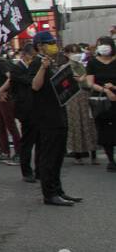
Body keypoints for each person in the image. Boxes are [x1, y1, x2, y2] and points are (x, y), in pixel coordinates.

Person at [26, 32, 81, 206]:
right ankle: (49, 194)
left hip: (59, 113)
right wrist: (43, 67)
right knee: (48, 156)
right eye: (49, 43)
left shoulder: (55, 62)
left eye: (53, 42)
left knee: (58, 156)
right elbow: (35, 86)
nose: (53, 45)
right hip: (46, 117)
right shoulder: (37, 63)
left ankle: (58, 190)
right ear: (40, 45)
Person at [7, 42, 39, 182]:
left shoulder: (34, 67)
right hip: (24, 109)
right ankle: (26, 171)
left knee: (41, 140)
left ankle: (40, 170)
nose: (33, 58)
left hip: (37, 108)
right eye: (32, 56)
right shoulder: (16, 68)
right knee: (27, 141)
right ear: (25, 55)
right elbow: (29, 82)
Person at [85, 36, 116, 171]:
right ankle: (111, 160)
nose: (103, 47)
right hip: (101, 100)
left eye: (105, 44)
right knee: (105, 130)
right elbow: (90, 83)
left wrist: (113, 88)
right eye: (100, 44)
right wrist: (105, 90)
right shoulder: (92, 63)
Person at [0, 50, 20, 162]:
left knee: (10, 124)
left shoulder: (0, 62)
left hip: (4, 98)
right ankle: (5, 151)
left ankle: (19, 153)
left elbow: (11, 77)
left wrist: (3, 90)